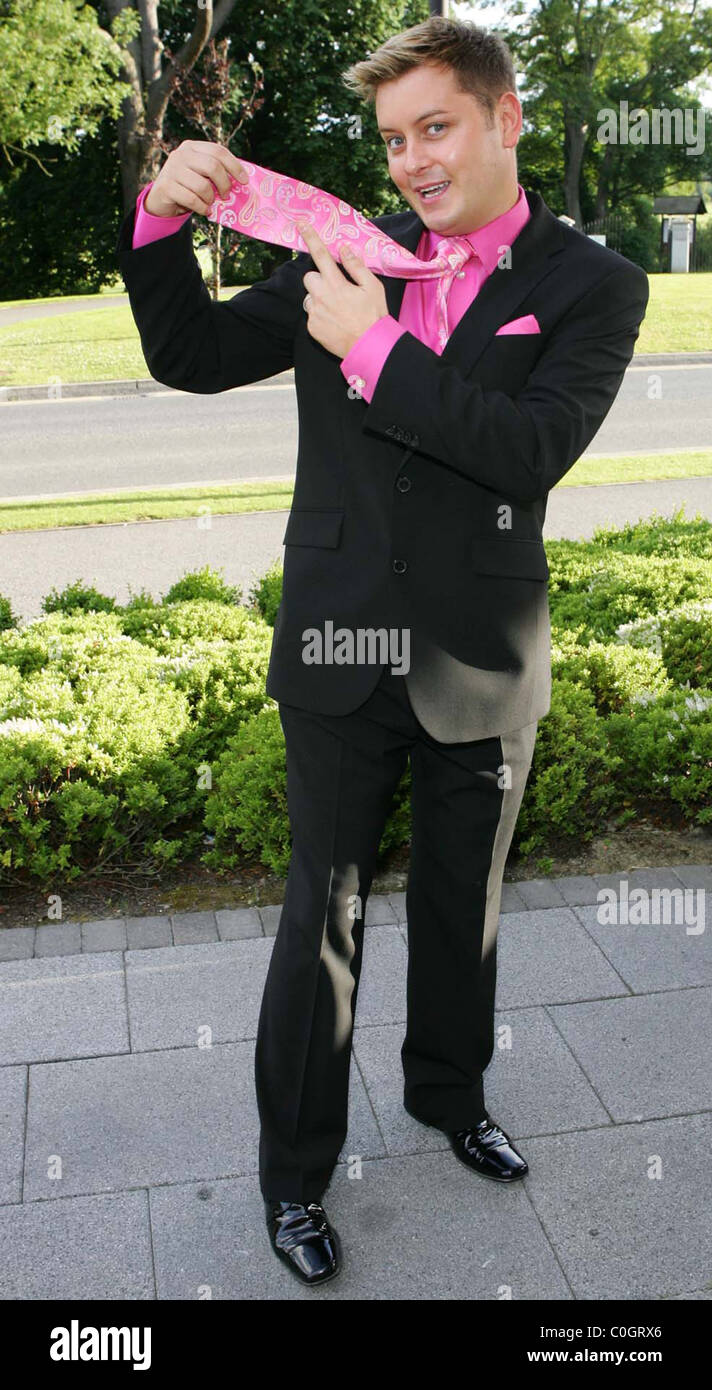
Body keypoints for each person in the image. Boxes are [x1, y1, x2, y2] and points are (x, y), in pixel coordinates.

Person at [116, 15, 649, 1289]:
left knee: (464, 914)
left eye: (436, 128)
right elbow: (187, 357)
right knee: (326, 920)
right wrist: (158, 219)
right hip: (340, 645)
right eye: (394, 138)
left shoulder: (593, 284)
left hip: (482, 652)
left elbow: (526, 452)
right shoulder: (341, 251)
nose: (411, 161)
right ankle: (293, 1181)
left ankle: (448, 1100)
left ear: (504, 117)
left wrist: (375, 347)